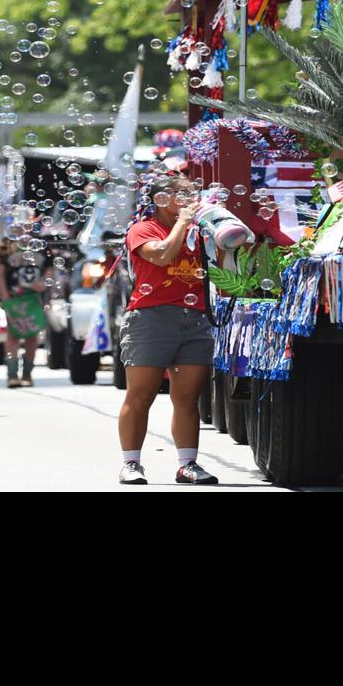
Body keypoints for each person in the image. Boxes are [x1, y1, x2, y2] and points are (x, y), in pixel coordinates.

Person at [116, 174, 220, 485]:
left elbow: (224, 266)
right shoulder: (142, 229)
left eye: (192, 193)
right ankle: (131, 464)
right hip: (151, 318)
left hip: (195, 317)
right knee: (141, 394)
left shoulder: (199, 231)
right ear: (161, 199)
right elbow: (162, 255)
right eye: (181, 194)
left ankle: (188, 464)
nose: (189, 199)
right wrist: (183, 224)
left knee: (188, 397)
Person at [0, 237, 47, 388]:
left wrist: (44, 283)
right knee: (13, 335)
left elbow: (49, 268)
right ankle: (12, 375)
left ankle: (27, 374)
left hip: (35, 298)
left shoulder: (41, 243)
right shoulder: (5, 245)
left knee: (32, 335)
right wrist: (5, 297)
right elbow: (0, 273)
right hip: (13, 297)